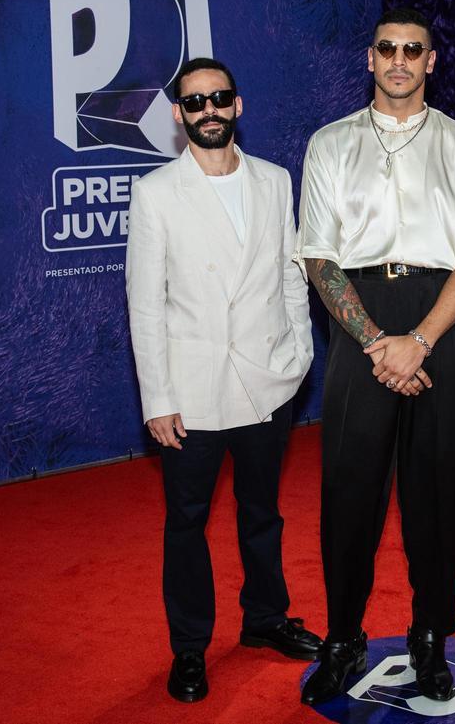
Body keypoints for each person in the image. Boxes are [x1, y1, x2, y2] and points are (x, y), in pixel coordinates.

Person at [294, 8, 455, 705]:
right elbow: (317, 256)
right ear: (370, 58)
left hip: (438, 322)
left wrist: (422, 340)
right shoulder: (329, 144)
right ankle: (344, 635)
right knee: (349, 492)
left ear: (433, 62)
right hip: (360, 330)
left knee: (436, 494)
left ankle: (430, 635)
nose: (401, 60)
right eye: (388, 49)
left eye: (415, 50)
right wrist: (378, 341)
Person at [126, 57, 321, 704]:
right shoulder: (156, 192)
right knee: (187, 521)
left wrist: (295, 361)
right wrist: (157, 397)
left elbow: (294, 278)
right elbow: (145, 304)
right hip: (191, 391)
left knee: (262, 513)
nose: (208, 109)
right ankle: (190, 648)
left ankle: (265, 619)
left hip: (265, 384)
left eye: (219, 98)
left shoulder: (273, 180)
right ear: (179, 114)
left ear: (237, 105)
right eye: (194, 102)